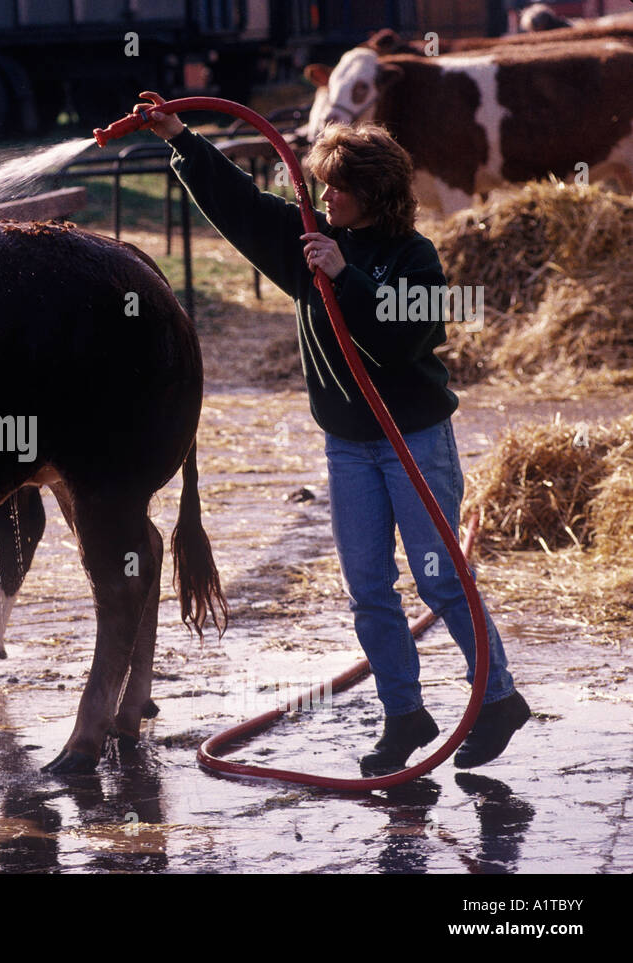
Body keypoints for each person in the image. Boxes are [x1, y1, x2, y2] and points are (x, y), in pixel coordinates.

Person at [136, 92, 530, 775]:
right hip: (347, 444)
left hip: (413, 440)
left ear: (371, 193)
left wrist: (346, 278)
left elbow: (407, 339)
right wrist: (182, 139)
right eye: (322, 183)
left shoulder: (414, 258)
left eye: (337, 187)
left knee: (440, 578)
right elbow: (242, 206)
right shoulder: (309, 245)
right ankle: (404, 712)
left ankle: (497, 699)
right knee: (369, 588)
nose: (324, 194)